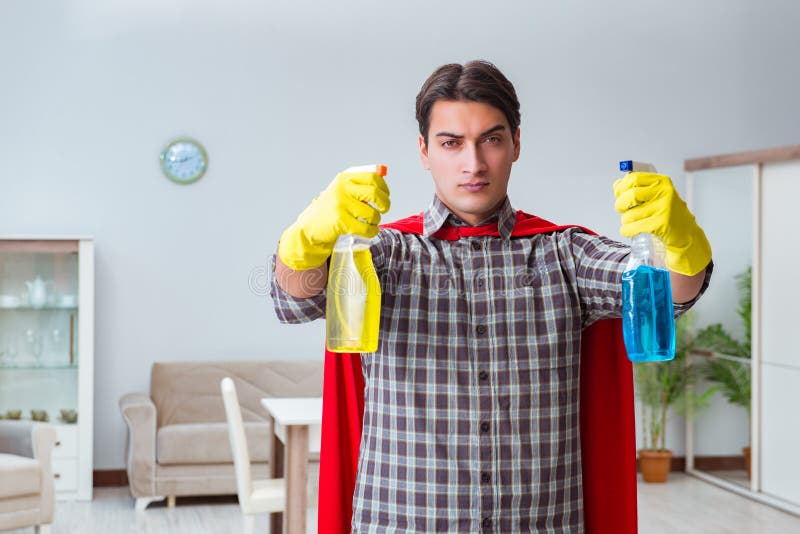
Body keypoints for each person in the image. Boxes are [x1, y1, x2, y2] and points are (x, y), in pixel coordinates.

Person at [271, 60, 712, 533]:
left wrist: (681, 247)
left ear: (516, 144)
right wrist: (306, 242)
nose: (473, 163)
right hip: (402, 522)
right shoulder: (382, 257)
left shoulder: (566, 254)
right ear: (424, 151)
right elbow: (295, 299)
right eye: (451, 143)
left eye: (491, 139)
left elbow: (669, 293)